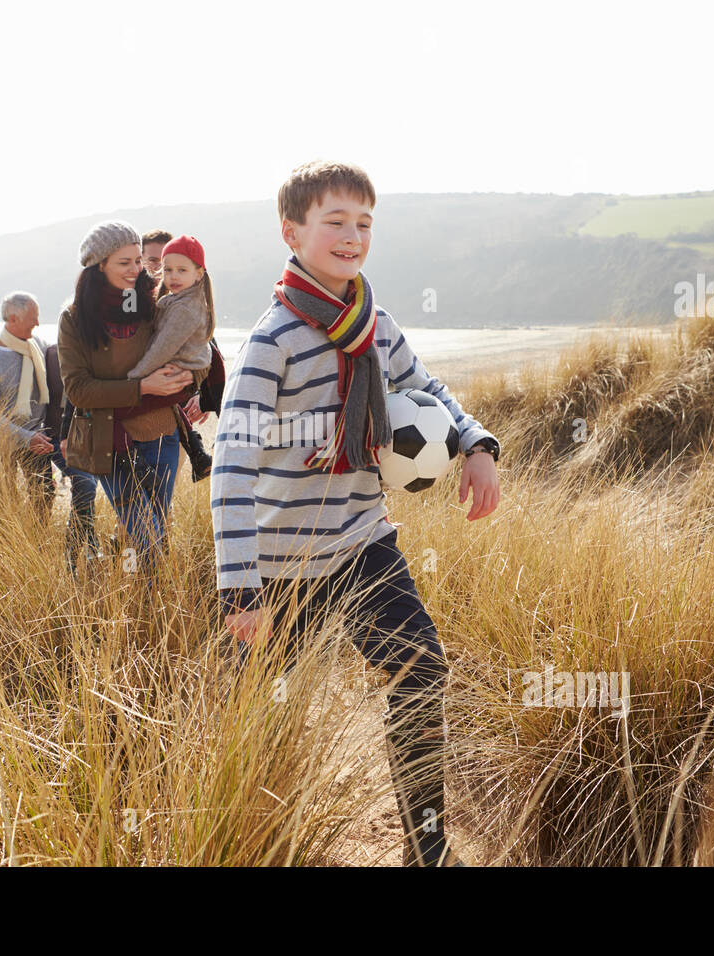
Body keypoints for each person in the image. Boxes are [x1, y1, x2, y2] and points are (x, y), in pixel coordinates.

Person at [211, 161, 502, 867]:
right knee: (267, 712)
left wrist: (474, 443)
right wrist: (241, 588)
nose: (352, 236)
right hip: (281, 563)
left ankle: (426, 848)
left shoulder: (377, 324)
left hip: (363, 542)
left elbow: (424, 387)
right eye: (335, 222)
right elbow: (232, 464)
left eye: (363, 223)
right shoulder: (271, 342)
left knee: (421, 670)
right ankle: (256, 841)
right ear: (293, 231)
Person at [57, 221, 203, 564]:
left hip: (163, 436)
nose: (137, 269)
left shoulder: (156, 301)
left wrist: (193, 378)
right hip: (110, 442)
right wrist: (143, 387)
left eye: (139, 260)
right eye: (125, 262)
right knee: (147, 538)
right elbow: (78, 390)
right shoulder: (74, 318)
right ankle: (142, 596)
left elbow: (196, 337)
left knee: (151, 533)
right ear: (99, 264)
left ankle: (136, 597)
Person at [125, 234, 216, 481]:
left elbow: (162, 349)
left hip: (167, 374)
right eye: (166, 268)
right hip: (163, 372)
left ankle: (195, 451)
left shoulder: (185, 307)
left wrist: (132, 379)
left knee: (123, 409)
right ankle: (196, 451)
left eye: (181, 270)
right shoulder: (164, 297)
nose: (171, 275)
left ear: (198, 273)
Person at [0, 291, 56, 524]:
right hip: (5, 441)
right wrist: (25, 437)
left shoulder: (38, 345)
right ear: (13, 319)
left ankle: (36, 544)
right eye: (33, 317)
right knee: (5, 502)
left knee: (44, 497)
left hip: (37, 439)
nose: (38, 323)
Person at [44, 342, 101, 565]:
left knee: (85, 491)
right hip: (57, 439)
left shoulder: (101, 355)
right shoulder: (50, 355)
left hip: (95, 440)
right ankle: (78, 555)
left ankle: (81, 552)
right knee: (86, 484)